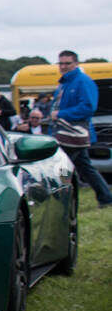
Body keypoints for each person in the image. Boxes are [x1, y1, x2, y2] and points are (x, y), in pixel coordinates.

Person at [51, 50, 112, 209]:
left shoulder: (83, 81)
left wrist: (60, 114)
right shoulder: (64, 83)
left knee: (63, 167)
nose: (63, 66)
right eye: (61, 63)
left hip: (75, 136)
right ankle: (106, 197)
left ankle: (65, 199)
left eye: (67, 63)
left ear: (76, 64)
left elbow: (88, 108)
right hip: (65, 134)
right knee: (85, 168)